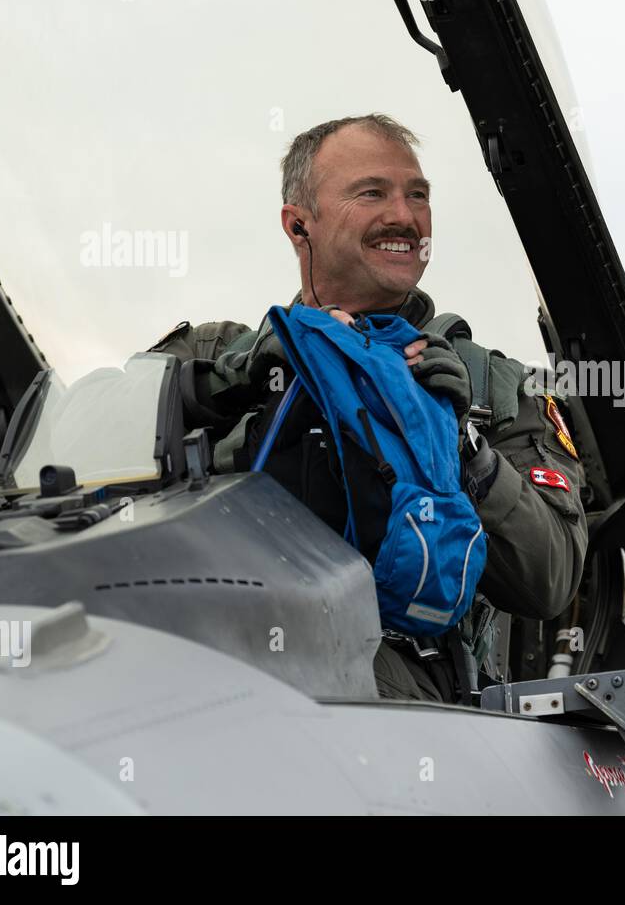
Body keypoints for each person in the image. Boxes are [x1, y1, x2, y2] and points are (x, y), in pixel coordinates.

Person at [149, 114, 588, 702]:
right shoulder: (210, 353)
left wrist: (460, 446)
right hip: (196, 662)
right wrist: (230, 383)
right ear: (299, 224)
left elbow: (550, 580)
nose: (404, 217)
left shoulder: (493, 388)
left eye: (418, 196)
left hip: (394, 708)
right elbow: (73, 454)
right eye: (372, 193)